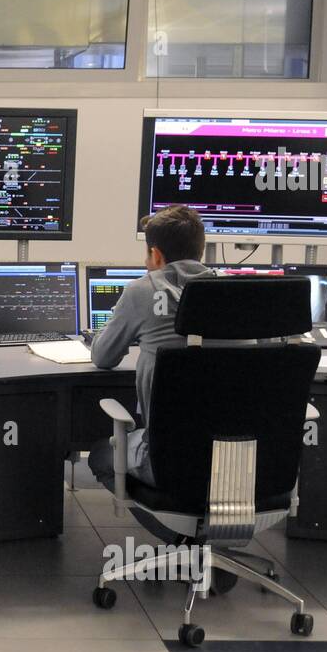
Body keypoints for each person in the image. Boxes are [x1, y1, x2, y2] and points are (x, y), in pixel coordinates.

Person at [86, 206, 214, 534]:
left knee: (101, 455)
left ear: (155, 254)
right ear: (202, 248)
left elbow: (103, 356)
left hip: (165, 460)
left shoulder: (143, 291)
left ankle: (182, 540)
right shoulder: (236, 295)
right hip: (238, 459)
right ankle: (207, 541)